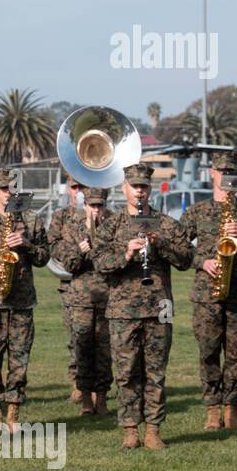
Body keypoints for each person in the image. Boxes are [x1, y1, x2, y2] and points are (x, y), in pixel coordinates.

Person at [92, 163, 191, 450]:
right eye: (134, 186)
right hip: (123, 310)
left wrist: (162, 246)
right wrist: (126, 253)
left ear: (150, 189)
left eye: (144, 186)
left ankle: (153, 430)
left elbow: (186, 260)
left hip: (159, 307)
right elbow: (100, 264)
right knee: (126, 372)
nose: (139, 191)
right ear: (124, 189)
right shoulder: (111, 225)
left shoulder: (166, 223)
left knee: (156, 372)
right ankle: (130, 430)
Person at [180, 151, 237, 431]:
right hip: (207, 294)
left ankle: (232, 410)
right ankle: (212, 410)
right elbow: (179, 248)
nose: (226, 176)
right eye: (222, 171)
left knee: (236, 354)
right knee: (208, 352)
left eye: (231, 172)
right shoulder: (196, 211)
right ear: (212, 174)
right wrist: (201, 261)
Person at [0, 169, 50, 432]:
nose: (8, 193)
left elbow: (44, 257)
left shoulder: (33, 221)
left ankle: (13, 414)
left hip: (22, 302)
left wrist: (26, 243)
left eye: (12, 188)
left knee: (20, 360)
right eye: (3, 189)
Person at [51, 186, 112, 416]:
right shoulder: (73, 229)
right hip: (81, 299)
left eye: (100, 206)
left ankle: (102, 398)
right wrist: (80, 250)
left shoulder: (112, 228)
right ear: (84, 206)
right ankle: (86, 399)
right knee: (83, 349)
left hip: (107, 297)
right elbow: (69, 265)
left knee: (105, 351)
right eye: (92, 206)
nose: (96, 210)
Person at [48, 175, 87, 406]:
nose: (79, 191)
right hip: (71, 287)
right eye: (75, 187)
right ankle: (77, 385)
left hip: (100, 287)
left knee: (102, 341)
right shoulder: (60, 218)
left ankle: (98, 389)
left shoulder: (102, 214)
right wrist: (77, 252)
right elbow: (54, 246)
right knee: (76, 339)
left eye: (83, 186)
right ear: (68, 190)